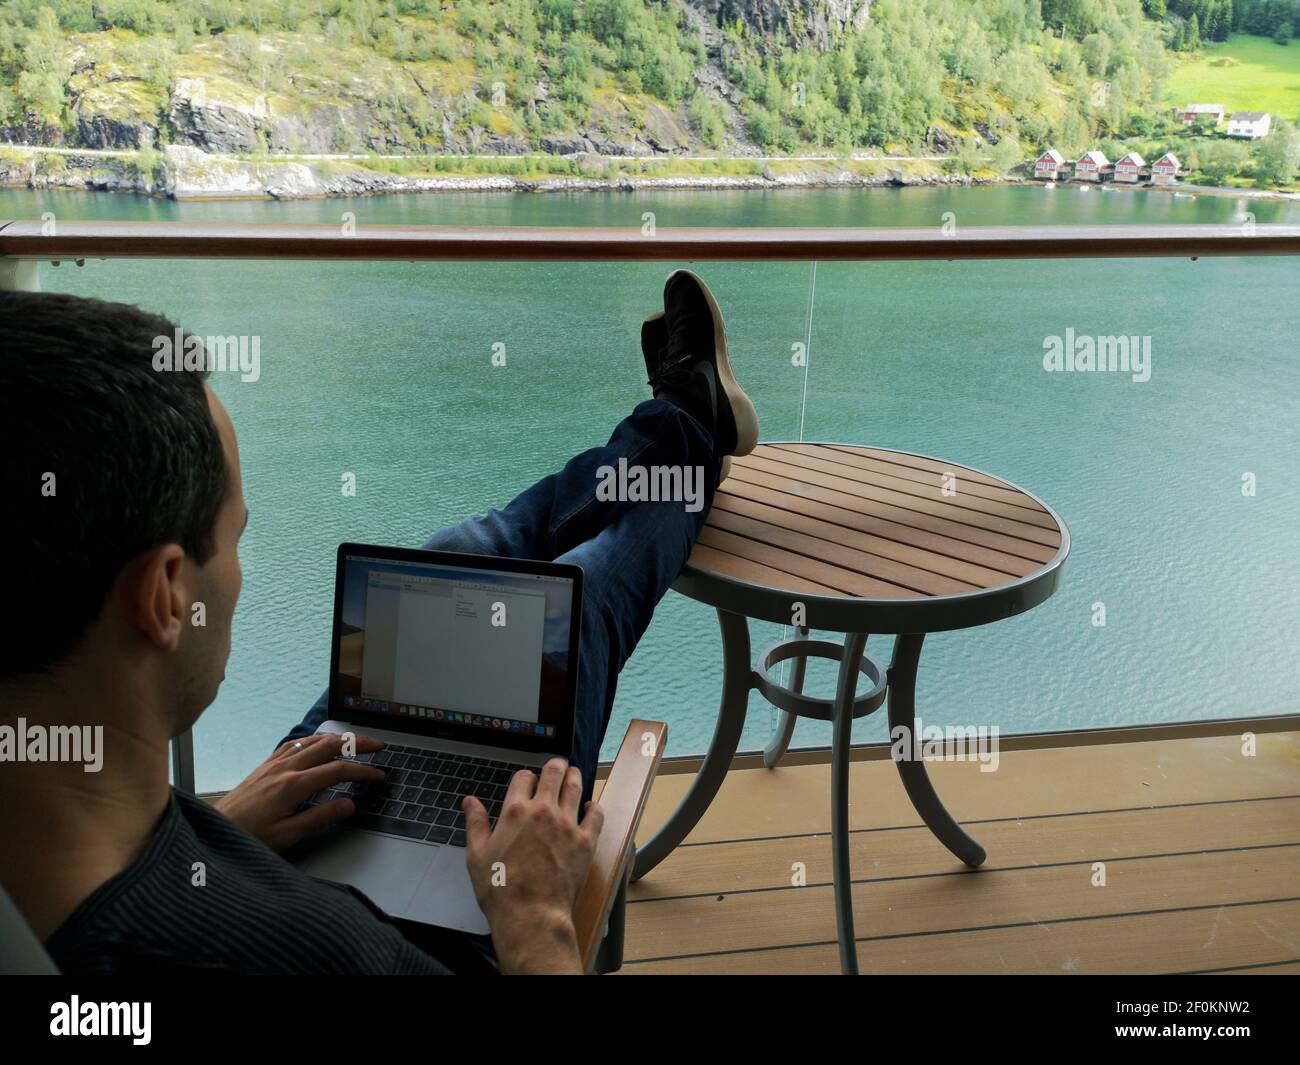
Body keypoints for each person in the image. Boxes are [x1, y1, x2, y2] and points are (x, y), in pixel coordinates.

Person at [0, 270, 758, 974]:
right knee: (583, 598)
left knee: (457, 556)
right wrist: (535, 924)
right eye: (234, 538)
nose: (237, 572)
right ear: (166, 596)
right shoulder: (324, 956)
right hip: (443, 930)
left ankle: (682, 420)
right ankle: (687, 426)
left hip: (241, 834)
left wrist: (214, 831)